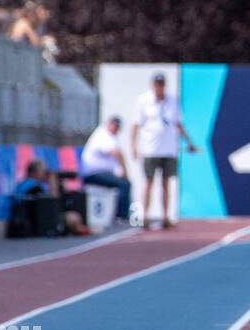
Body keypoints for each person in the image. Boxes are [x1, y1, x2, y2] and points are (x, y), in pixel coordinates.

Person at [131, 73, 199, 229]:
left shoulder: (172, 101)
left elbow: (178, 124)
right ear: (152, 85)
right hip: (150, 149)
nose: (158, 87)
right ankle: (145, 216)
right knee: (148, 182)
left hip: (168, 150)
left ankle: (165, 217)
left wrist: (189, 142)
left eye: (161, 84)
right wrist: (134, 147)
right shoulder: (144, 101)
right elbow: (135, 125)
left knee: (166, 183)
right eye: (156, 83)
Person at [81, 115, 132, 225]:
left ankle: (122, 214)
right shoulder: (102, 134)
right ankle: (120, 216)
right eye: (114, 126)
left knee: (125, 183)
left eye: (118, 127)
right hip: (93, 174)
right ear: (109, 124)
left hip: (101, 173)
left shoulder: (110, 137)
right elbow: (116, 153)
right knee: (124, 184)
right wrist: (125, 171)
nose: (116, 129)